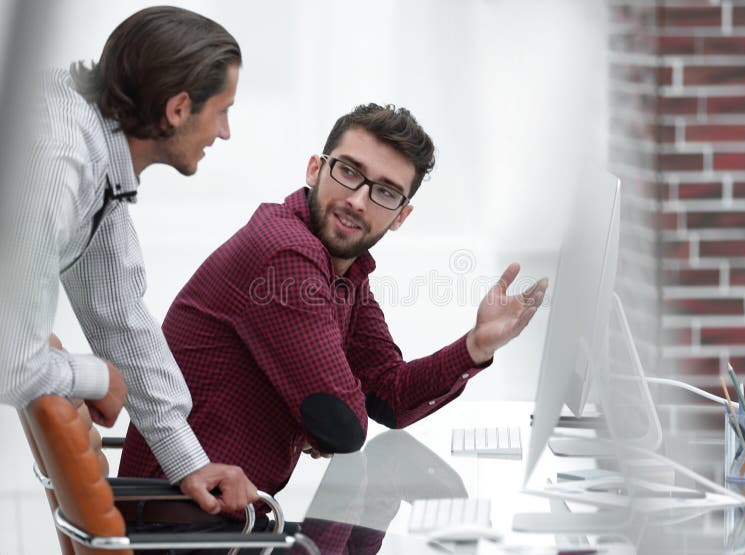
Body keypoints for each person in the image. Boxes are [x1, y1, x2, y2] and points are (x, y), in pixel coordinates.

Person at [119, 103, 547, 517]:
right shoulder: (286, 253)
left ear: (401, 216)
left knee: (377, 504)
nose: (358, 201)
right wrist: (319, 417)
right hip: (181, 526)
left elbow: (390, 396)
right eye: (348, 171)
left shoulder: (344, 269)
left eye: (384, 192)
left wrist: (474, 347)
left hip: (227, 520)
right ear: (314, 169)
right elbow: (344, 426)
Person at [0, 6, 259, 515]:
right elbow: (11, 362)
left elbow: (119, 312)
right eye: (222, 110)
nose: (225, 132)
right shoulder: (60, 159)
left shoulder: (94, 150)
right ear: (179, 108)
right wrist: (96, 376)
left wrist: (188, 461)